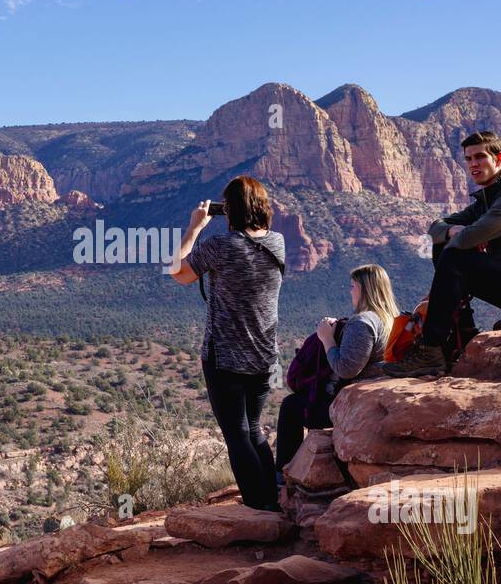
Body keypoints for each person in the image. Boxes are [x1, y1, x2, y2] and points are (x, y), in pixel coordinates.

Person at [381, 129, 501, 378]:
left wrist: (457, 239)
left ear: (499, 159)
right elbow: (435, 228)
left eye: (480, 157)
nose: (473, 165)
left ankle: (430, 349)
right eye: (468, 159)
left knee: (455, 255)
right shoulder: (489, 197)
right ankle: (462, 335)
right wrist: (452, 230)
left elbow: (467, 239)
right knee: (446, 247)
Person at [170, 175, 286, 512]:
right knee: (254, 428)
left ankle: (258, 505)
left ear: (230, 210)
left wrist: (194, 228)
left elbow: (178, 273)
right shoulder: (277, 242)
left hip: (225, 358)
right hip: (264, 356)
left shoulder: (221, 247)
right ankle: (272, 498)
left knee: (236, 434)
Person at [276, 264, 400, 471]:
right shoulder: (390, 318)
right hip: (373, 400)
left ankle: (282, 475)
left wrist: (326, 339)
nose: (350, 291)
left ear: (364, 289)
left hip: (352, 406)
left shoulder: (362, 322)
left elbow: (346, 368)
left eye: (353, 286)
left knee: (291, 406)